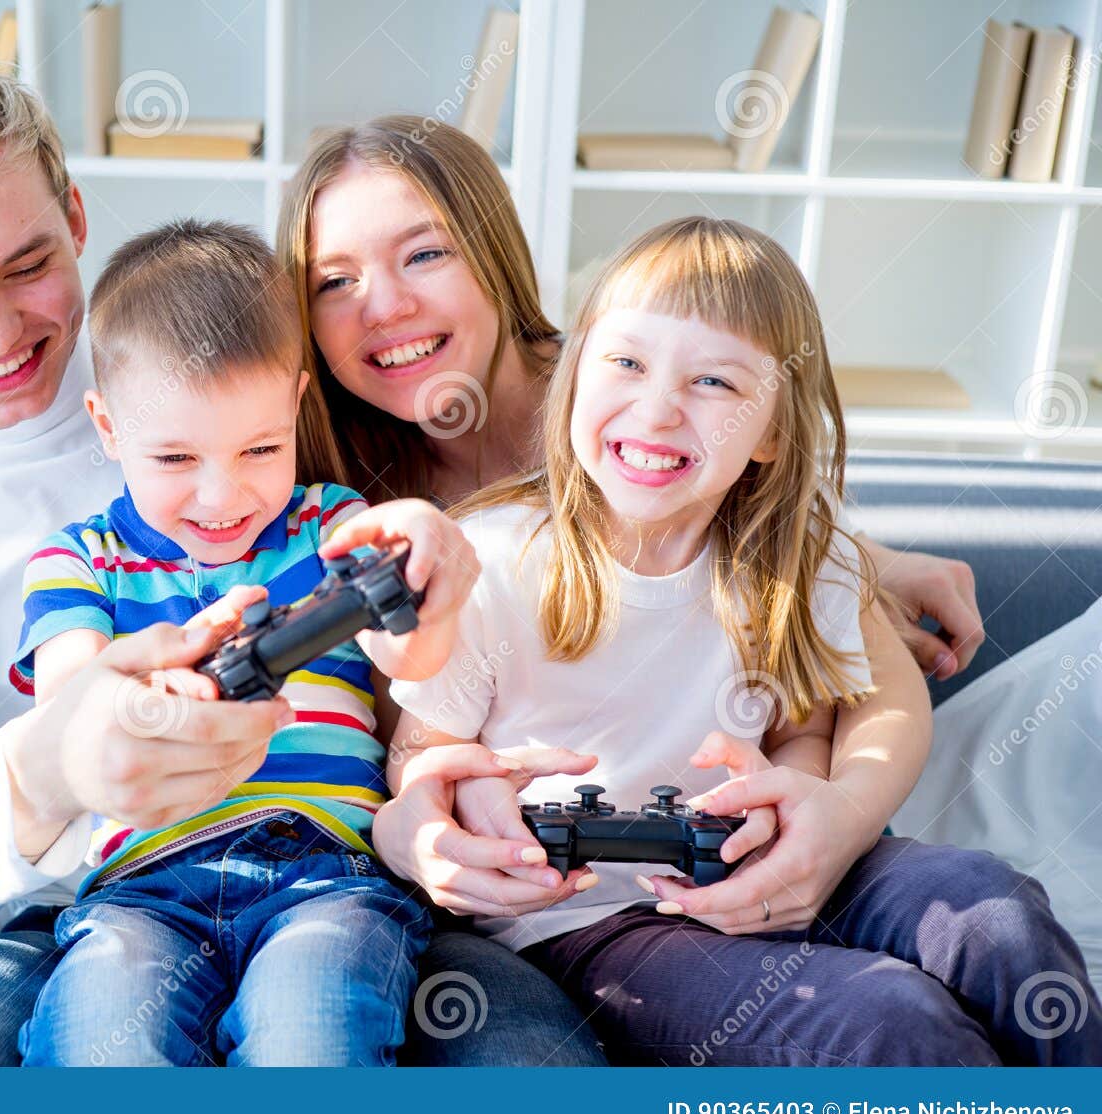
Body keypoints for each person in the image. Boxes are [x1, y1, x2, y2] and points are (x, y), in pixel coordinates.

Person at [0, 63, 595, 1067]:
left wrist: (436, 574)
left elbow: (463, 536)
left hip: (336, 869)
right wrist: (63, 758)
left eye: (24, 266)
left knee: (502, 1059)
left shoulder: (245, 355)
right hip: (114, 891)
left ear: (76, 217)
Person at [385, 214, 1102, 1065]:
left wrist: (796, 804)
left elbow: (807, 725)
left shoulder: (800, 555)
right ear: (574, 380)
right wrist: (463, 803)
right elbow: (422, 750)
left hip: (795, 868)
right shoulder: (495, 559)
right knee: (885, 1022)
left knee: (995, 913)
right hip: (593, 918)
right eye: (625, 363)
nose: (657, 409)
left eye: (715, 383)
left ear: (770, 433)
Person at [280, 117, 994, 971]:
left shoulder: (628, 382)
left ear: (496, 254)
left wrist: (842, 806)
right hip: (527, 899)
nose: (383, 305)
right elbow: (409, 752)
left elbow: (834, 633)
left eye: (424, 254)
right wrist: (413, 828)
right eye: (334, 280)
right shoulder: (335, 497)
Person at [12, 219, 480, 1065]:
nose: (221, 495)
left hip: (325, 874)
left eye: (261, 448)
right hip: (142, 889)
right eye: (176, 456)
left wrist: (424, 556)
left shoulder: (335, 524)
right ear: (108, 427)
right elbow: (70, 714)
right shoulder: (79, 561)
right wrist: (175, 677)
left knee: (312, 1040)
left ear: (298, 404)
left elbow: (411, 663)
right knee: (101, 1052)